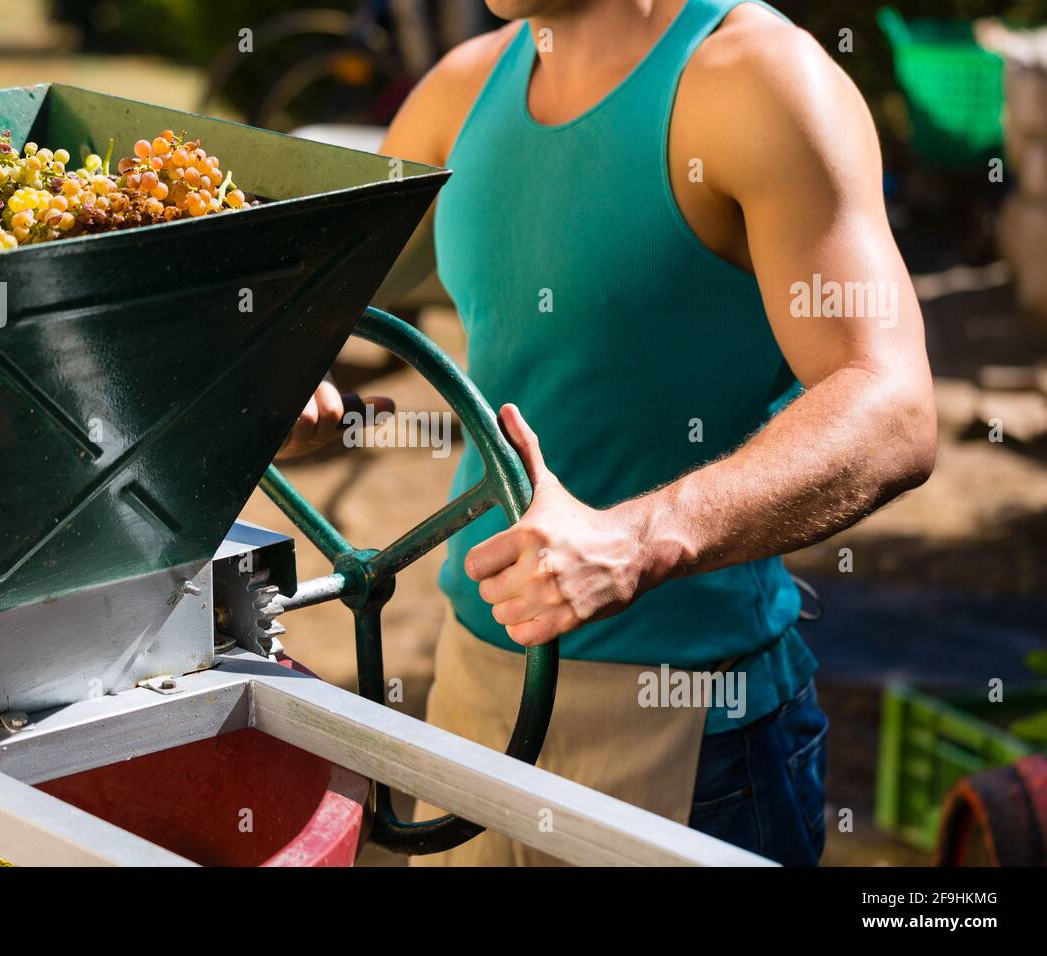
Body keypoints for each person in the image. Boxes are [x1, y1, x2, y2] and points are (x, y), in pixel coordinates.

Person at [278, 0, 936, 866]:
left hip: (688, 733)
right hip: (473, 699)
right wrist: (278, 388)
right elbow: (318, 303)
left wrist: (637, 541)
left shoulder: (759, 79)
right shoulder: (462, 90)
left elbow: (892, 405)